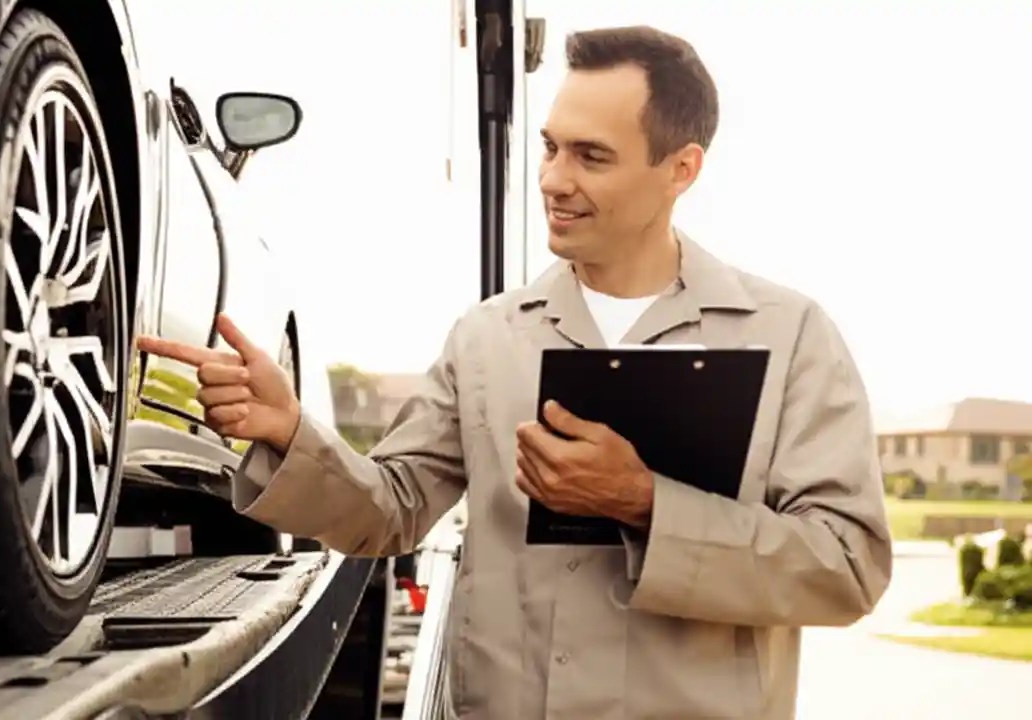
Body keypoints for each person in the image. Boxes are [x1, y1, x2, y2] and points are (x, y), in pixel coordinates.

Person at [138, 25, 892, 720]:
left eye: (591, 156)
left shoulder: (789, 337)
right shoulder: (487, 339)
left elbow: (848, 567)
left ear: (681, 169)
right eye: (550, 147)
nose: (554, 181)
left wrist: (645, 503)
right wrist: (290, 430)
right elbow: (391, 510)